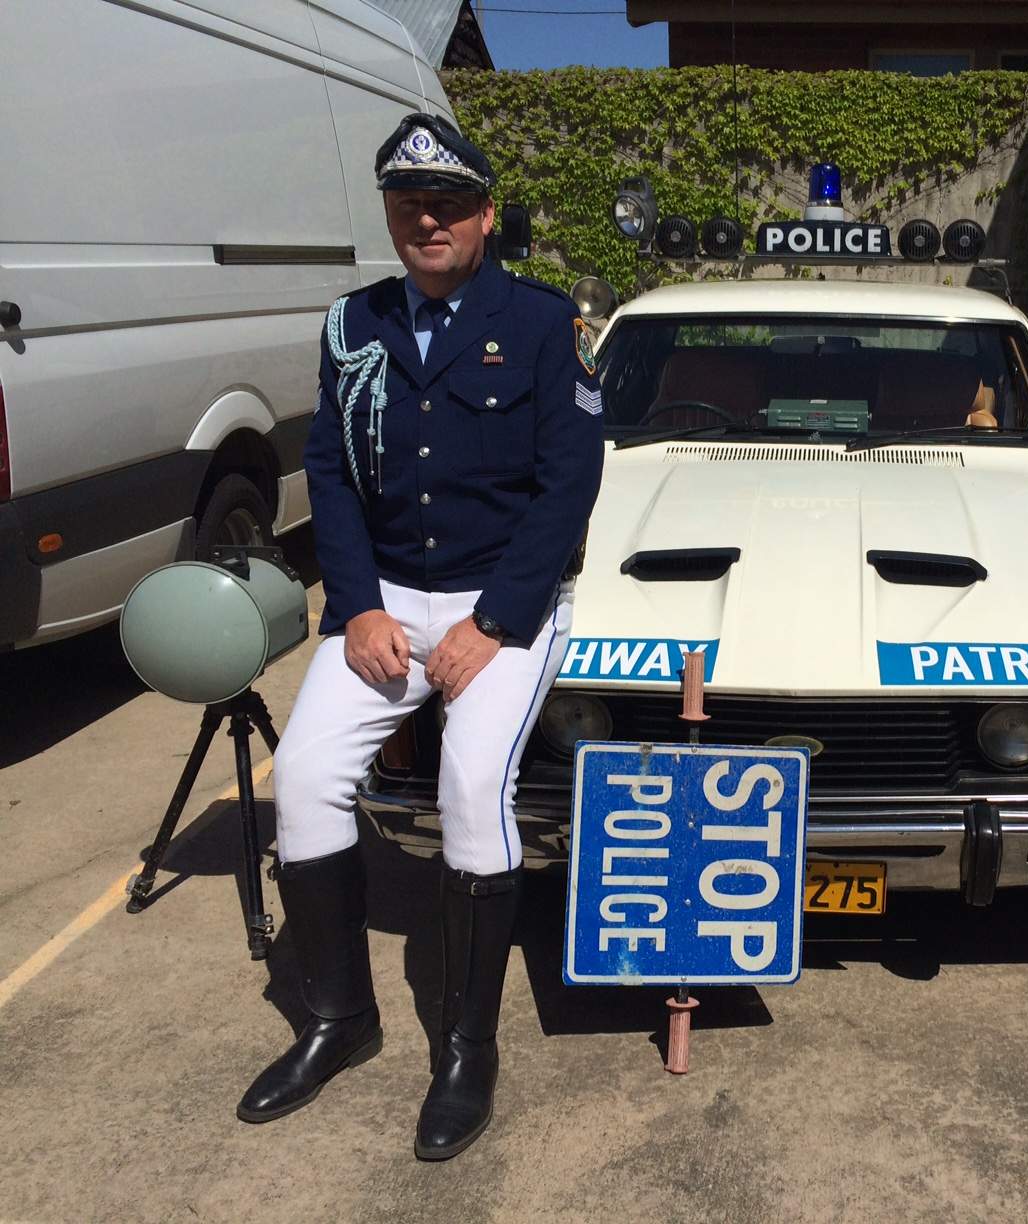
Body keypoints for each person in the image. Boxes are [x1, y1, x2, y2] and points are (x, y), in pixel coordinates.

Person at [236, 112, 604, 1161]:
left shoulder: (539, 325)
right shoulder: (353, 325)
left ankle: (466, 1050)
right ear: (392, 217)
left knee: (468, 787)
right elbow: (336, 476)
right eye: (410, 206)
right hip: (386, 601)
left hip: (504, 604)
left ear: (487, 216)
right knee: (303, 778)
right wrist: (354, 606)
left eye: (448, 206)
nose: (428, 221)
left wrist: (495, 624)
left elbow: (569, 479)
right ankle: (338, 1020)